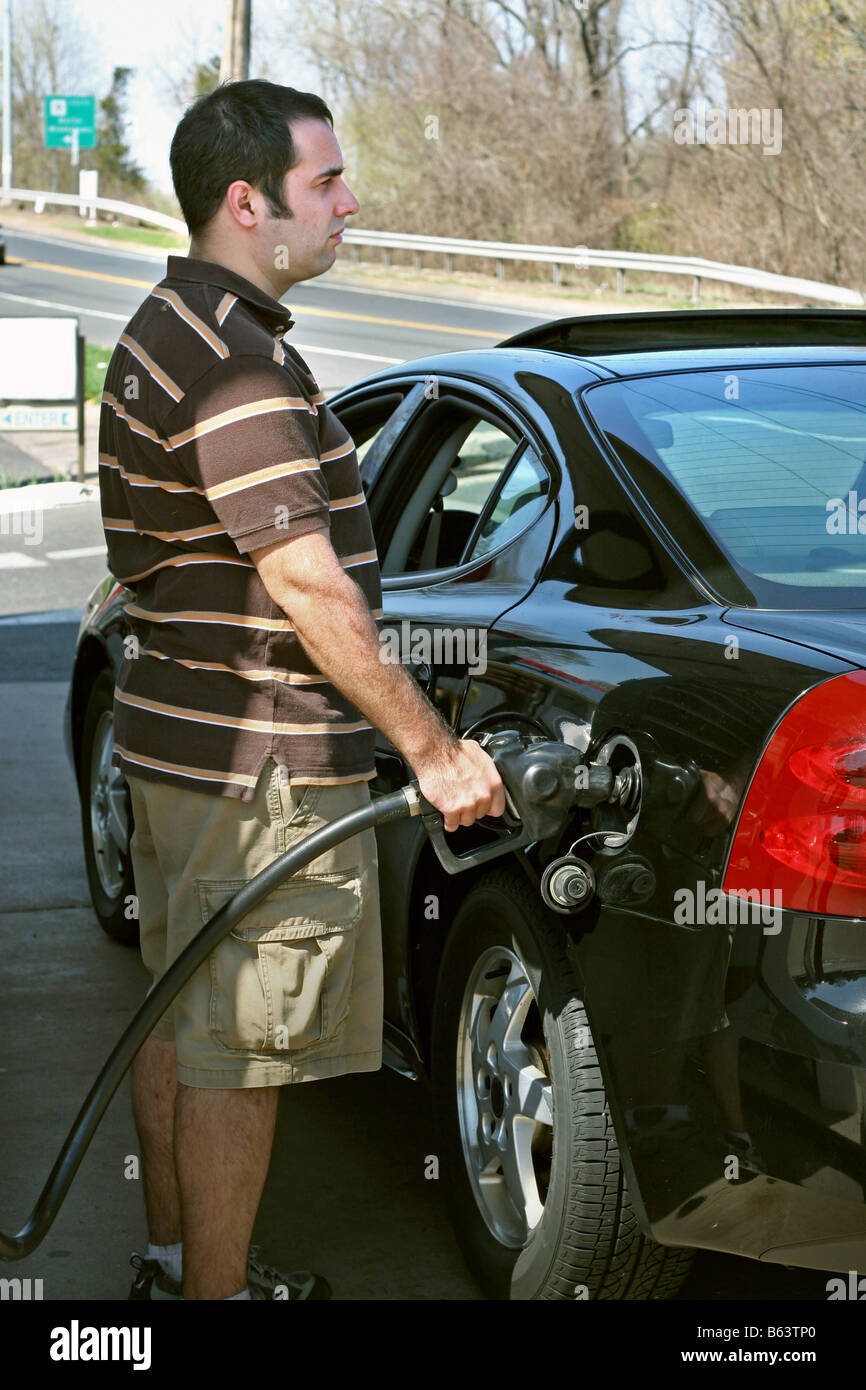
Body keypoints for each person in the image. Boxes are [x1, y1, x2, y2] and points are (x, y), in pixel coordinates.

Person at [98, 78, 504, 1302]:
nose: (348, 201)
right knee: (243, 1056)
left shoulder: (166, 325)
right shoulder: (237, 370)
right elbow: (307, 585)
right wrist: (432, 753)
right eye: (324, 182)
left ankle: (176, 1266)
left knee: (178, 1018)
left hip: (177, 753)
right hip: (258, 770)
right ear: (246, 200)